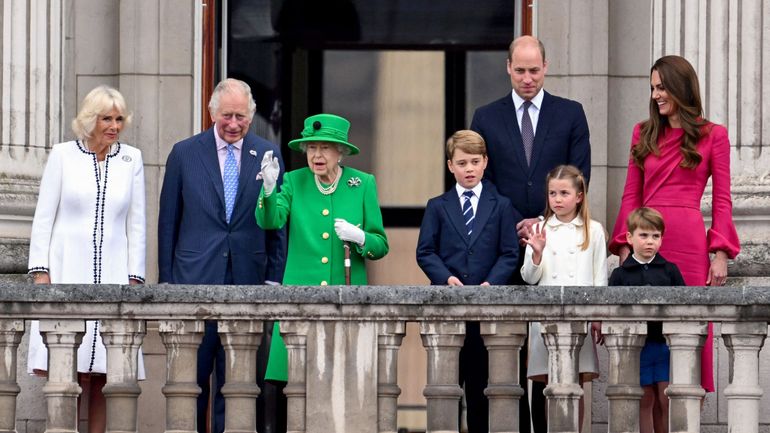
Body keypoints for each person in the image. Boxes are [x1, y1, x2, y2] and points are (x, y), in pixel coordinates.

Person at [470, 35, 592, 432]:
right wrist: (514, 221)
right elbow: (479, 181)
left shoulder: (570, 114)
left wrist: (542, 219)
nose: (527, 78)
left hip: (554, 245)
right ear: (508, 67)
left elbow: (580, 175)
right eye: (520, 70)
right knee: (498, 349)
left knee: (548, 352)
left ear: (546, 66)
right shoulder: (486, 117)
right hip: (501, 247)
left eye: (534, 70)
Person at [158, 78, 287, 433]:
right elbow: (168, 220)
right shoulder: (185, 153)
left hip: (247, 280)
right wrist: (167, 281)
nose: (234, 124)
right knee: (191, 382)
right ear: (213, 113)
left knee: (238, 384)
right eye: (227, 115)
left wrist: (274, 278)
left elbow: (278, 223)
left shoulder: (267, 153)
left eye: (241, 117)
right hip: (193, 282)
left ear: (252, 116)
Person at [609, 55, 740, 396]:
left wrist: (721, 252)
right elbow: (630, 194)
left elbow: (723, 199)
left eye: (662, 87)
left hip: (690, 245)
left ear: (681, 88)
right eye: (653, 88)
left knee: (689, 338)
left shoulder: (715, 135)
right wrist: (624, 246)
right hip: (647, 240)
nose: (655, 95)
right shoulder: (643, 132)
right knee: (644, 340)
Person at [27, 85, 146, 433]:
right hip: (67, 270)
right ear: (90, 120)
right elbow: (44, 217)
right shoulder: (63, 155)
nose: (114, 126)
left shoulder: (132, 159)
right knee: (70, 368)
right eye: (107, 118)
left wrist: (134, 278)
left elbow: (136, 223)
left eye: (119, 119)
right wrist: (40, 273)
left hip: (113, 273)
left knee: (105, 373)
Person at [255, 112, 388, 387]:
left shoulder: (362, 184)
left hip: (345, 304)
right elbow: (270, 220)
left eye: (325, 148)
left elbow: (381, 244)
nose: (317, 155)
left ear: (340, 152)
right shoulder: (294, 181)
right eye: (312, 147)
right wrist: (268, 190)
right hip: (300, 302)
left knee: (343, 385)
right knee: (295, 387)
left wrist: (360, 237)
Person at [416, 130, 520, 432]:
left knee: (480, 392)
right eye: (462, 163)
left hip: (485, 316)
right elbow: (425, 251)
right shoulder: (437, 205)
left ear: (485, 162)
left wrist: (492, 283)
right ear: (451, 166)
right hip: (447, 314)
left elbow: (509, 253)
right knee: (445, 390)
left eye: (475, 161)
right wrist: (445, 277)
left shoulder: (501, 204)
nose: (469, 168)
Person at [520, 164, 606, 431]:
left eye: (564, 193)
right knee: (549, 384)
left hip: (579, 318)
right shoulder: (540, 228)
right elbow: (529, 277)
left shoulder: (593, 230)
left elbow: (599, 278)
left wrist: (598, 317)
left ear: (579, 196)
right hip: (546, 319)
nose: (557, 199)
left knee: (575, 384)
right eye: (552, 193)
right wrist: (536, 253)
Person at [609, 207, 685, 433]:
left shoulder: (670, 270)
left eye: (655, 236)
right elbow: (611, 310)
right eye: (643, 235)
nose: (649, 241)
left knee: (665, 398)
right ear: (630, 238)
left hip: (664, 346)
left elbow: (685, 305)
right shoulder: (620, 274)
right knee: (644, 399)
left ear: (662, 239)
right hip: (636, 348)